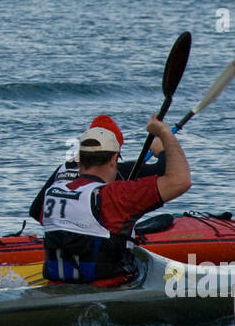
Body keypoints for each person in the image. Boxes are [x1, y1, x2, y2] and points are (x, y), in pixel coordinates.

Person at [39, 116, 191, 285]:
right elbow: (180, 181)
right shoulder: (117, 196)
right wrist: (165, 133)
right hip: (110, 289)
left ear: (79, 159)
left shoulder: (53, 192)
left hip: (59, 285)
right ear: (113, 159)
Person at [28, 114, 164, 220]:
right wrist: (162, 149)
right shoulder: (121, 171)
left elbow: (35, 211)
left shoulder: (63, 168)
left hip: (60, 242)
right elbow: (165, 172)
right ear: (114, 154)